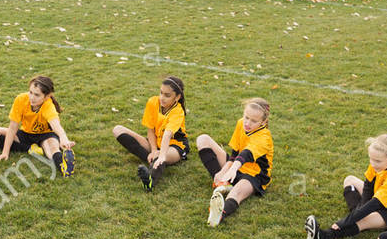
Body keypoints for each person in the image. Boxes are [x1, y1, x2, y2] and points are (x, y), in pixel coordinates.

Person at [306, 134, 387, 239]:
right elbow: (368, 188)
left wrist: (345, 222)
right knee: (349, 180)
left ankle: (323, 236)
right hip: (379, 198)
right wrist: (358, 212)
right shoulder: (378, 163)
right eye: (371, 159)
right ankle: (359, 215)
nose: (373, 164)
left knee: (363, 220)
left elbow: (375, 203)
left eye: (377, 161)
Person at [196, 98, 274, 226]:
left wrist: (232, 169)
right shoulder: (241, 124)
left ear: (264, 122)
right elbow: (234, 156)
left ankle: (219, 214)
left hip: (253, 175)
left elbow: (245, 155)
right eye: (246, 117)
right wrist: (223, 171)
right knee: (202, 139)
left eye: (254, 121)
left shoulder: (264, 137)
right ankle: (222, 183)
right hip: (235, 168)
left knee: (236, 192)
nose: (247, 123)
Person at [0, 75, 75, 176]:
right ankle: (30, 149)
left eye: (37, 95)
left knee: (52, 150)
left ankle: (64, 166)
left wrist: (63, 138)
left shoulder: (48, 105)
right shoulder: (21, 99)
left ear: (47, 96)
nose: (32, 98)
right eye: (31, 92)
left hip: (46, 135)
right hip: (25, 134)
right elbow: (12, 128)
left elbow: (56, 125)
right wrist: (5, 152)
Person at [113, 76, 188, 191]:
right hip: (156, 142)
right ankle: (152, 159)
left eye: (167, 95)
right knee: (117, 130)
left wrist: (161, 154)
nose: (162, 98)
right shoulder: (153, 102)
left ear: (177, 97)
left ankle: (150, 181)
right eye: (161, 93)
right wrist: (153, 150)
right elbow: (150, 130)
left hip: (174, 146)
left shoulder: (178, 111)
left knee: (160, 155)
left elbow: (167, 135)